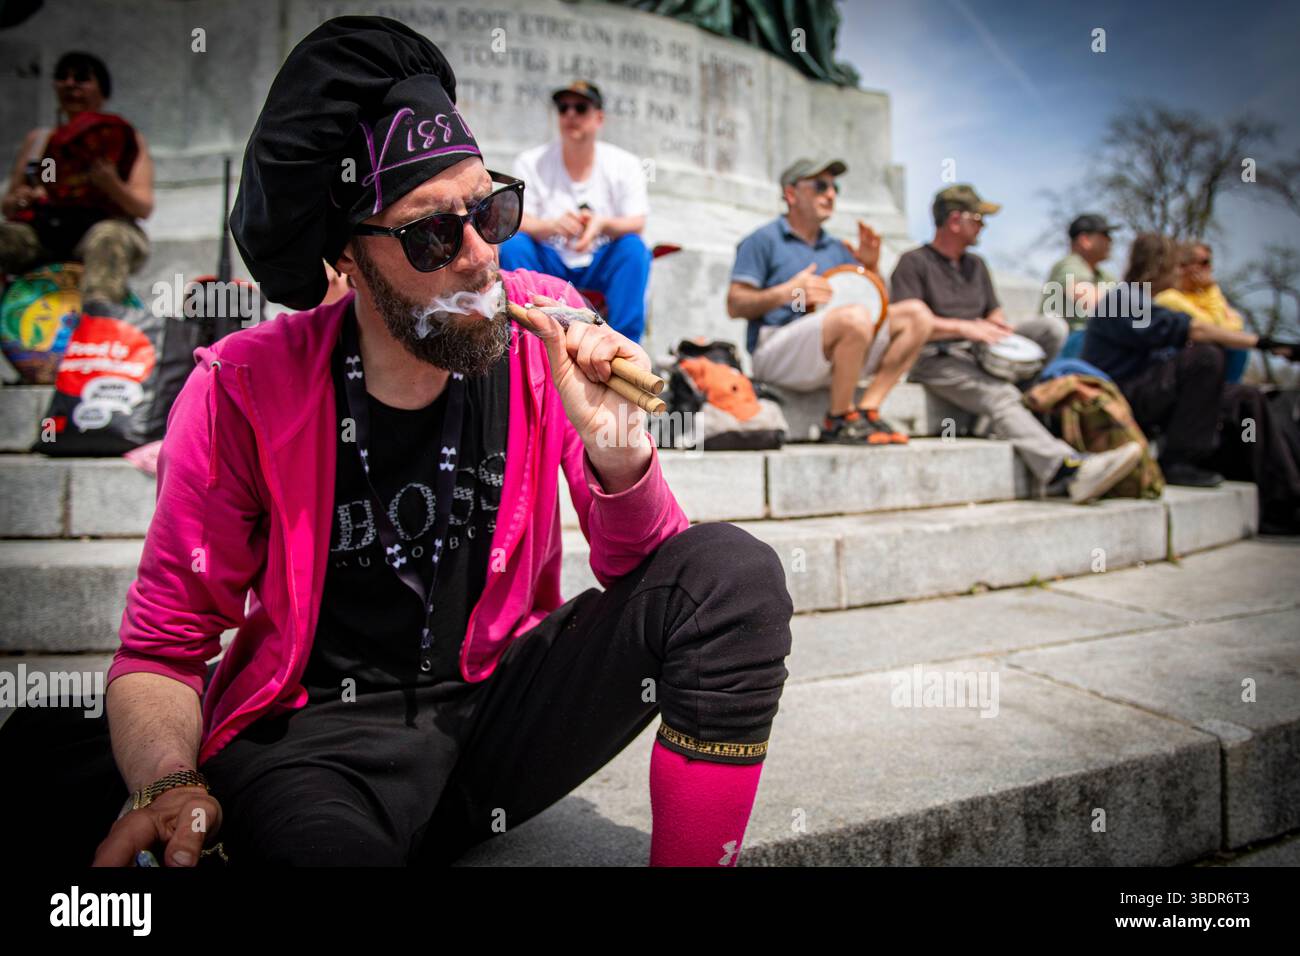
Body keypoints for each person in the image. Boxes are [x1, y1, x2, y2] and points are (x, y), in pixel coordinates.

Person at [0, 18, 793, 868]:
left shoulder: (542, 324)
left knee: (730, 580)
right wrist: (165, 780)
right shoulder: (240, 388)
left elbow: (648, 570)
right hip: (316, 751)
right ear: (349, 257)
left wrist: (620, 450)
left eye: (491, 208)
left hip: (496, 717)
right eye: (432, 233)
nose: (483, 254)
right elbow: (165, 645)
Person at [890, 184, 1143, 502]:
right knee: (1001, 395)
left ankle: (1018, 409)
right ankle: (1066, 471)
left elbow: (993, 312)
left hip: (982, 351)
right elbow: (903, 322)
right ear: (955, 220)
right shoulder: (913, 262)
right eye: (979, 218)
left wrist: (998, 327)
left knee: (1050, 328)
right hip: (936, 358)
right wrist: (966, 328)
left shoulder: (976, 265)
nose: (984, 225)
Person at [1081, 233, 1300, 531]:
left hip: (1153, 393)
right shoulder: (1124, 300)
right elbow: (1195, 330)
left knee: (1245, 397)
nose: (1180, 275)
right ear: (1161, 267)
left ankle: (1284, 504)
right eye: (1175, 267)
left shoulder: (1149, 300)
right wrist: (1265, 343)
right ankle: (1178, 460)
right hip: (1120, 397)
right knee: (1205, 357)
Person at [726, 157, 933, 444]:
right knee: (853, 317)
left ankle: (867, 410)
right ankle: (837, 420)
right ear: (791, 194)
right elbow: (735, 304)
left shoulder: (837, 248)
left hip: (839, 343)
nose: (831, 194)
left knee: (917, 315)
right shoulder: (762, 240)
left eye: (835, 187)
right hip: (777, 351)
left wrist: (872, 269)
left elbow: (876, 308)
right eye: (821, 186)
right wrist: (789, 292)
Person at [496, 80, 652, 342]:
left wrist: (601, 224)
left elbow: (637, 222)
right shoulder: (531, 161)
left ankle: (625, 345)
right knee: (515, 246)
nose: (570, 115)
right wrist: (551, 227)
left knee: (634, 249)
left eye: (580, 108)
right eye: (563, 108)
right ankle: (523, 340)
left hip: (598, 263)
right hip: (550, 261)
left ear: (599, 118)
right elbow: (516, 219)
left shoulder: (624, 164)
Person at [0, 51, 153, 303]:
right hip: (45, 232)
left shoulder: (125, 139)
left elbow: (142, 207)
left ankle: (97, 325)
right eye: (62, 77)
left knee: (109, 238)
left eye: (81, 78)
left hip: (105, 229)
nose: (70, 84)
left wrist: (111, 184)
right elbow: (8, 205)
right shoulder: (39, 140)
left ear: (102, 92)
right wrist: (22, 200)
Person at [1154, 241, 1248, 382]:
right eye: (1204, 262)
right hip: (1178, 364)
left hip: (1210, 360)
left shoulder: (1207, 295)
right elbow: (1215, 328)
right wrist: (1212, 289)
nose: (1210, 268)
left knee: (1239, 344)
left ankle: (1227, 393)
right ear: (1183, 266)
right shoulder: (1170, 297)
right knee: (1230, 346)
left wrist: (1210, 290)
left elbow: (1237, 326)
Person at [1039, 214, 1118, 347]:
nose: (1110, 240)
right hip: (1066, 350)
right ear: (1084, 240)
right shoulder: (1068, 265)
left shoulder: (1104, 276)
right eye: (1105, 234)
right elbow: (1088, 300)